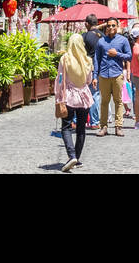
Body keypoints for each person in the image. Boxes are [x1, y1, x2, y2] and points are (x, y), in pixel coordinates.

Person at [55, 33, 95, 172]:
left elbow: (60, 79)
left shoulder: (65, 59)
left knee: (66, 127)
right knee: (81, 129)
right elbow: (89, 80)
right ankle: (76, 158)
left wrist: (58, 96)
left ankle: (71, 155)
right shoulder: (88, 60)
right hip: (84, 96)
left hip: (69, 96)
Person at [92, 17, 131, 136]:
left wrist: (117, 54)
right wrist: (94, 76)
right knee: (104, 101)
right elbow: (96, 60)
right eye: (109, 26)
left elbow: (129, 56)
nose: (111, 28)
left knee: (118, 101)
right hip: (103, 75)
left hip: (117, 74)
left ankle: (118, 126)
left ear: (117, 26)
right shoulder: (101, 42)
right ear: (106, 27)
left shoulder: (123, 40)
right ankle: (103, 127)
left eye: (113, 25)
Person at [82, 14, 102, 129]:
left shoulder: (84, 36)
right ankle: (94, 121)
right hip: (99, 68)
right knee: (95, 94)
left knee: (82, 93)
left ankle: (79, 120)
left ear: (86, 24)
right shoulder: (103, 36)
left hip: (86, 67)